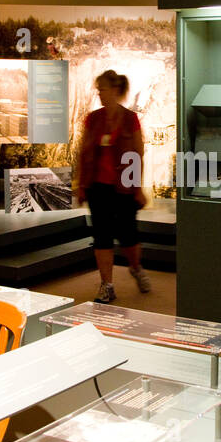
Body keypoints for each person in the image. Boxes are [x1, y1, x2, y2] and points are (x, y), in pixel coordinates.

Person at [75, 70, 150, 303]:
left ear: (115, 91)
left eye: (102, 89)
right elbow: (83, 152)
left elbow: (137, 153)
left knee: (128, 237)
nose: (99, 94)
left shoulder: (130, 119)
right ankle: (107, 285)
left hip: (124, 188)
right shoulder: (93, 119)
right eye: (98, 90)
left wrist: (137, 188)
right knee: (102, 237)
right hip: (98, 187)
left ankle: (136, 268)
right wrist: (80, 183)